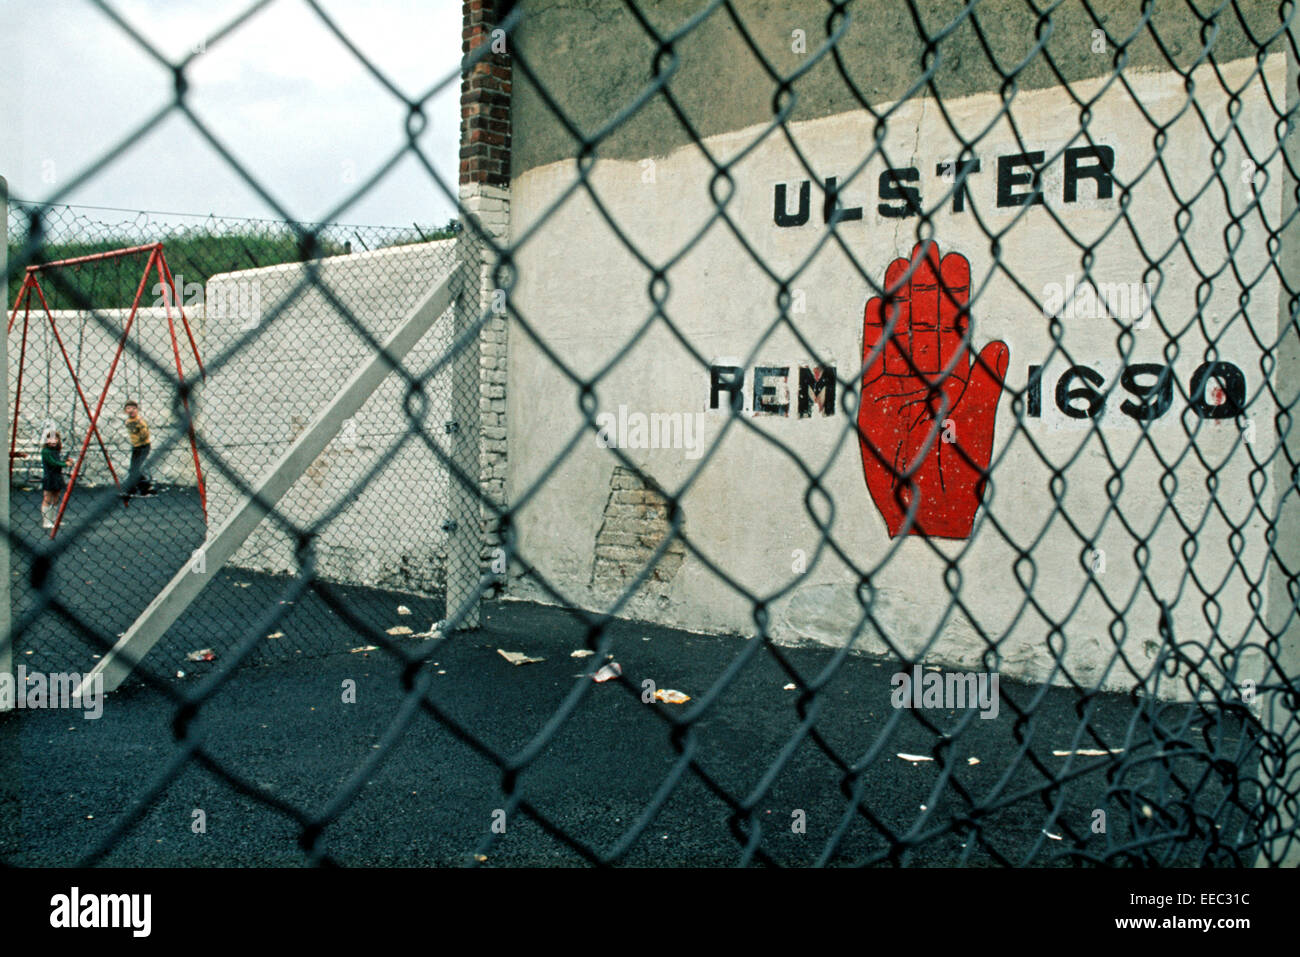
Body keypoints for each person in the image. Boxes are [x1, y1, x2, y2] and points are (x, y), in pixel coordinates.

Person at [122, 400, 155, 499]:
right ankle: (135, 488)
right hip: (135, 447)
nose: (131, 410)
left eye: (134, 408)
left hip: (143, 446)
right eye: (128, 408)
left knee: (135, 469)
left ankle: (146, 487)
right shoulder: (128, 421)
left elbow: (145, 433)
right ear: (125, 411)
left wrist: (142, 434)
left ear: (137, 410)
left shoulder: (140, 421)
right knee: (133, 469)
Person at [39, 425, 70, 529]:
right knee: (47, 497)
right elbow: (53, 463)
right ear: (47, 440)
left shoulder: (56, 450)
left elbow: (58, 462)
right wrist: (65, 464)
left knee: (56, 497)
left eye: (55, 439)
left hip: (57, 476)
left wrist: (65, 462)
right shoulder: (46, 451)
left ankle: (53, 519)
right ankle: (46, 521)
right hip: (49, 476)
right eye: (50, 438)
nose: (53, 441)